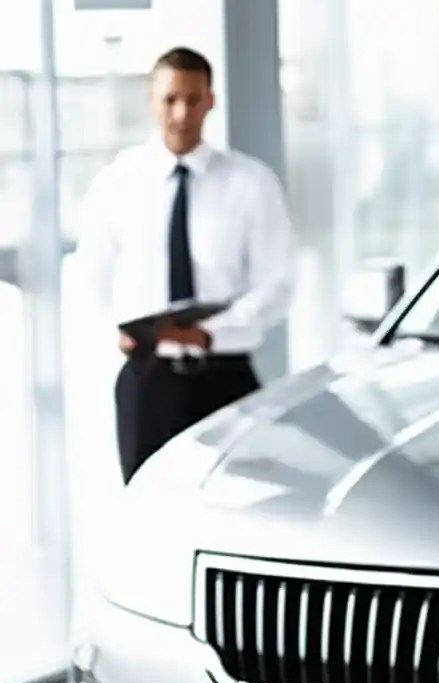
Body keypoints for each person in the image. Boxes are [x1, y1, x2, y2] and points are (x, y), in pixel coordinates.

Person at [77, 47, 294, 483]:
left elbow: (278, 282)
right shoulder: (118, 183)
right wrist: (116, 330)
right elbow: (91, 278)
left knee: (242, 502)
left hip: (225, 376)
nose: (181, 113)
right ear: (151, 100)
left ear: (210, 100)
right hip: (148, 375)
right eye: (170, 99)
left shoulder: (250, 182)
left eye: (193, 100)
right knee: (147, 508)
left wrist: (210, 334)